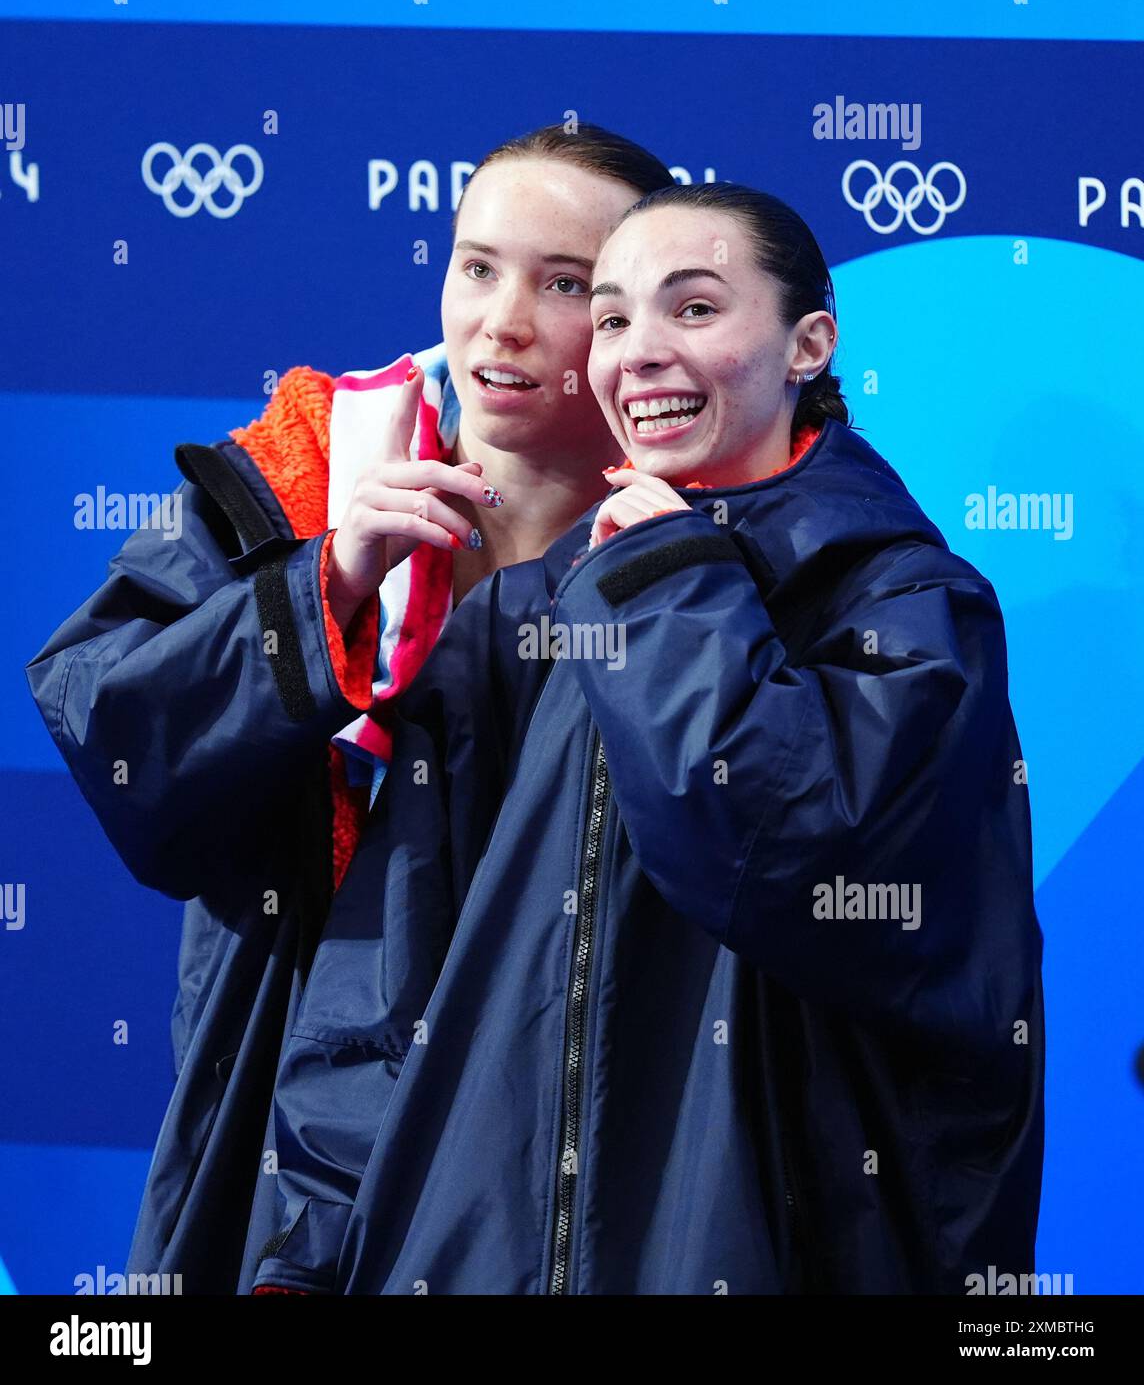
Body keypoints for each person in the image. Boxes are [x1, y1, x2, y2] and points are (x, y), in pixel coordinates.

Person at [251, 182, 1045, 1295]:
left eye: (696, 308)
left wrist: (669, 581)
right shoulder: (519, 619)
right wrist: (310, 1248)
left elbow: (788, 856)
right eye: (616, 318)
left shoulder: (912, 609)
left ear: (809, 342)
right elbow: (383, 977)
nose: (640, 354)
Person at [23, 123, 677, 1294]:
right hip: (283, 1140)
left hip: (587, 1144)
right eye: (476, 266)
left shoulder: (714, 539)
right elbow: (105, 718)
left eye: (564, 284)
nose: (501, 320)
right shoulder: (305, 465)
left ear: (632, 318)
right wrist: (319, 586)